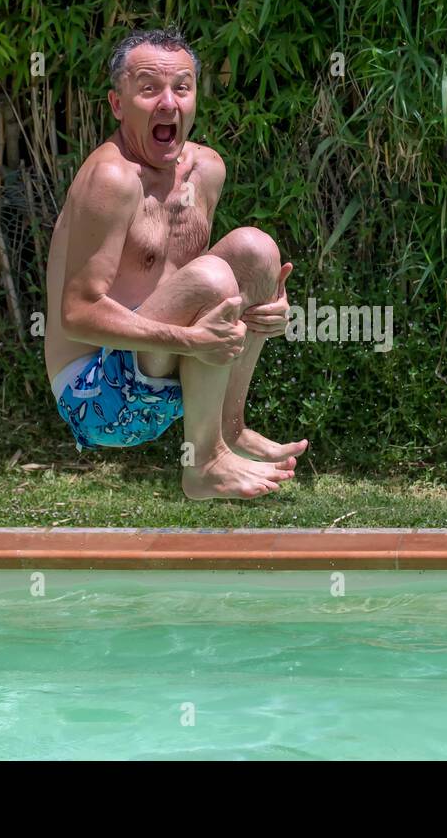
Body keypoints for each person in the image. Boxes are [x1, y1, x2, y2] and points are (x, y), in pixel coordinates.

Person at [43, 28, 307, 499]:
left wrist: (265, 310)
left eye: (181, 88)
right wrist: (192, 340)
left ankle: (229, 428)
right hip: (94, 395)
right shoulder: (111, 179)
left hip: (163, 367)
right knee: (213, 277)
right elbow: (77, 314)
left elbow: (190, 287)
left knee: (257, 249)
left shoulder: (207, 170)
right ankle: (203, 463)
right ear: (117, 104)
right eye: (149, 89)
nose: (168, 102)